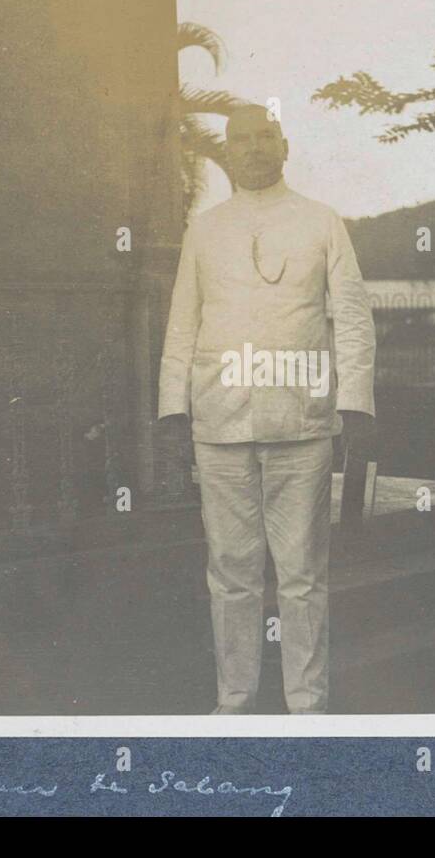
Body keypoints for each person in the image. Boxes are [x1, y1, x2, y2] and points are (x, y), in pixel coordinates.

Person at [158, 104, 376, 714]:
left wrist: (355, 404)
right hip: (219, 420)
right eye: (241, 140)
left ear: (284, 146)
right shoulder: (205, 230)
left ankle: (307, 705)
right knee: (231, 569)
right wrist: (174, 408)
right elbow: (183, 324)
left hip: (301, 422)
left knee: (302, 572)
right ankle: (234, 700)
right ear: (229, 151)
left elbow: (352, 319)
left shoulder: (321, 222)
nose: (253, 149)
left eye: (264, 138)